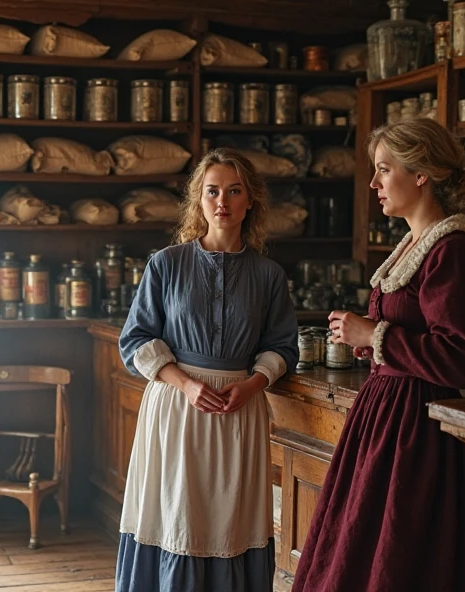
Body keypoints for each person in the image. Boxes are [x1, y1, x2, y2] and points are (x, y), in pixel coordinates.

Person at [292, 117, 465, 591]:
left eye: (384, 170)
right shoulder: (413, 245)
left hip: (417, 428)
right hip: (386, 416)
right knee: (359, 544)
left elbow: (460, 357)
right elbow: (409, 336)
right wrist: (366, 341)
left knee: (398, 555)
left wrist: (373, 334)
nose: (374, 183)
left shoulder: (454, 251)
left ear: (420, 173)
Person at [116, 147, 299, 591]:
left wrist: (254, 384)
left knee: (230, 520)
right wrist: (186, 384)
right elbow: (135, 341)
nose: (223, 201)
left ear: (249, 200)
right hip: (177, 410)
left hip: (240, 412)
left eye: (234, 191)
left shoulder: (269, 275)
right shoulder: (166, 263)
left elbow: (281, 347)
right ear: (198, 199)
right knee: (175, 513)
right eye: (212, 191)